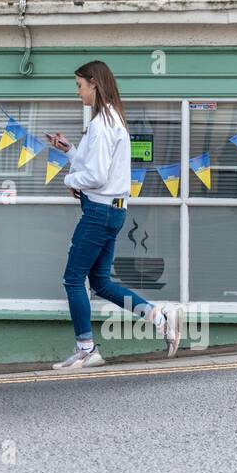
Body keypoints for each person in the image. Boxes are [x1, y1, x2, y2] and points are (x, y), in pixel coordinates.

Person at [43, 60, 183, 369]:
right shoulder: (112, 120)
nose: (77, 92)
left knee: (73, 279)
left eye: (79, 85)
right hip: (112, 212)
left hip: (98, 212)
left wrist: (68, 180)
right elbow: (96, 168)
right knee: (101, 282)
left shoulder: (101, 125)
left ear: (94, 83)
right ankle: (159, 316)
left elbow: (95, 176)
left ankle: (86, 348)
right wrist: (69, 152)